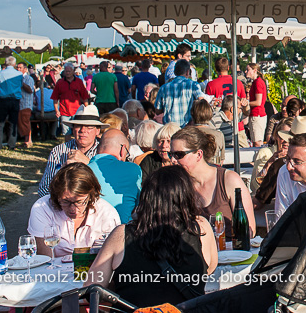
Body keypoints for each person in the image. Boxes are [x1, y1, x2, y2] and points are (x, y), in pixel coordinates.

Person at [85, 165, 218, 307]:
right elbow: (210, 268)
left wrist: (120, 281)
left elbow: (91, 289)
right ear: (186, 196)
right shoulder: (201, 227)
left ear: (146, 197)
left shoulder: (121, 235)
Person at [170, 126, 256, 240]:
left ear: (199, 154)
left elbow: (250, 230)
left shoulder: (229, 179)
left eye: (179, 155)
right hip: (195, 254)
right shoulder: (177, 185)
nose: (173, 160)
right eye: (171, 154)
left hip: (230, 254)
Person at [28, 162, 121, 257]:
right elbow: (45, 259)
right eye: (65, 201)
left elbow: (112, 258)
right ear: (56, 196)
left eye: (79, 202)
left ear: (90, 195)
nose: (73, 209)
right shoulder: (42, 208)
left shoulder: (106, 213)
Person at [38, 105, 108, 196]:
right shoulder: (59, 151)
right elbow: (44, 188)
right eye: (78, 126)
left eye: (89, 127)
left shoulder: (104, 152)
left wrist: (89, 164)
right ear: (73, 129)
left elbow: (108, 188)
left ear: (97, 131)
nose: (83, 130)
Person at [87, 129, 142, 223]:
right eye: (127, 154)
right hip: (123, 231)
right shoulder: (134, 169)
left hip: (90, 232)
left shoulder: (82, 170)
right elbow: (135, 206)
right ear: (122, 149)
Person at [154, 60, 206, 127]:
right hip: (187, 127)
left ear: (175, 72)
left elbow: (158, 110)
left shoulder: (164, 87)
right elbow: (201, 101)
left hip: (169, 128)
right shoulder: (193, 85)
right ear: (187, 72)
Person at [251, 118, 292, 194]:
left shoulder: (297, 157)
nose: (286, 141)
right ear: (276, 136)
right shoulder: (265, 153)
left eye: (290, 137)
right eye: (282, 136)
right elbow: (254, 186)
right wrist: (270, 162)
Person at [51, 62, 90, 137]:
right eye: (66, 71)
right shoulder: (60, 83)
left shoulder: (79, 82)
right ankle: (68, 147)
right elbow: (55, 98)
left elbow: (85, 97)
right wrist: (56, 110)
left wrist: (86, 109)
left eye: (69, 71)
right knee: (66, 133)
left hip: (77, 111)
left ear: (73, 72)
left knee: (78, 132)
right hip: (64, 111)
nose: (68, 73)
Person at [0, 56, 24, 149]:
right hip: (15, 100)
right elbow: (20, 85)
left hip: (3, 100)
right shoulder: (19, 74)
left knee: (0, 123)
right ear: (14, 64)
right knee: (13, 122)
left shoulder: (0, 73)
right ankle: (11, 144)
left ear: (5, 63)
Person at [190, 99, 225, 164]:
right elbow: (221, 160)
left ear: (192, 114)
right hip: (213, 170)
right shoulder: (219, 135)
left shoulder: (186, 134)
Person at [245, 63, 268, 146]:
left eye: (248, 70)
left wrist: (246, 103)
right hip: (257, 114)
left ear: (254, 71)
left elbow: (258, 102)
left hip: (257, 115)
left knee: (257, 142)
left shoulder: (258, 83)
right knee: (256, 140)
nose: (246, 71)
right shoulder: (257, 82)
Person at [16, 63, 36, 148]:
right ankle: (26, 140)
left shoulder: (28, 78)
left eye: (20, 67)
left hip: (26, 104)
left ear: (25, 69)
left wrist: (22, 83)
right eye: (17, 67)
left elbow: (30, 90)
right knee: (21, 122)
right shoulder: (16, 78)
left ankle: (28, 141)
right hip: (19, 103)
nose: (18, 69)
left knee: (25, 122)